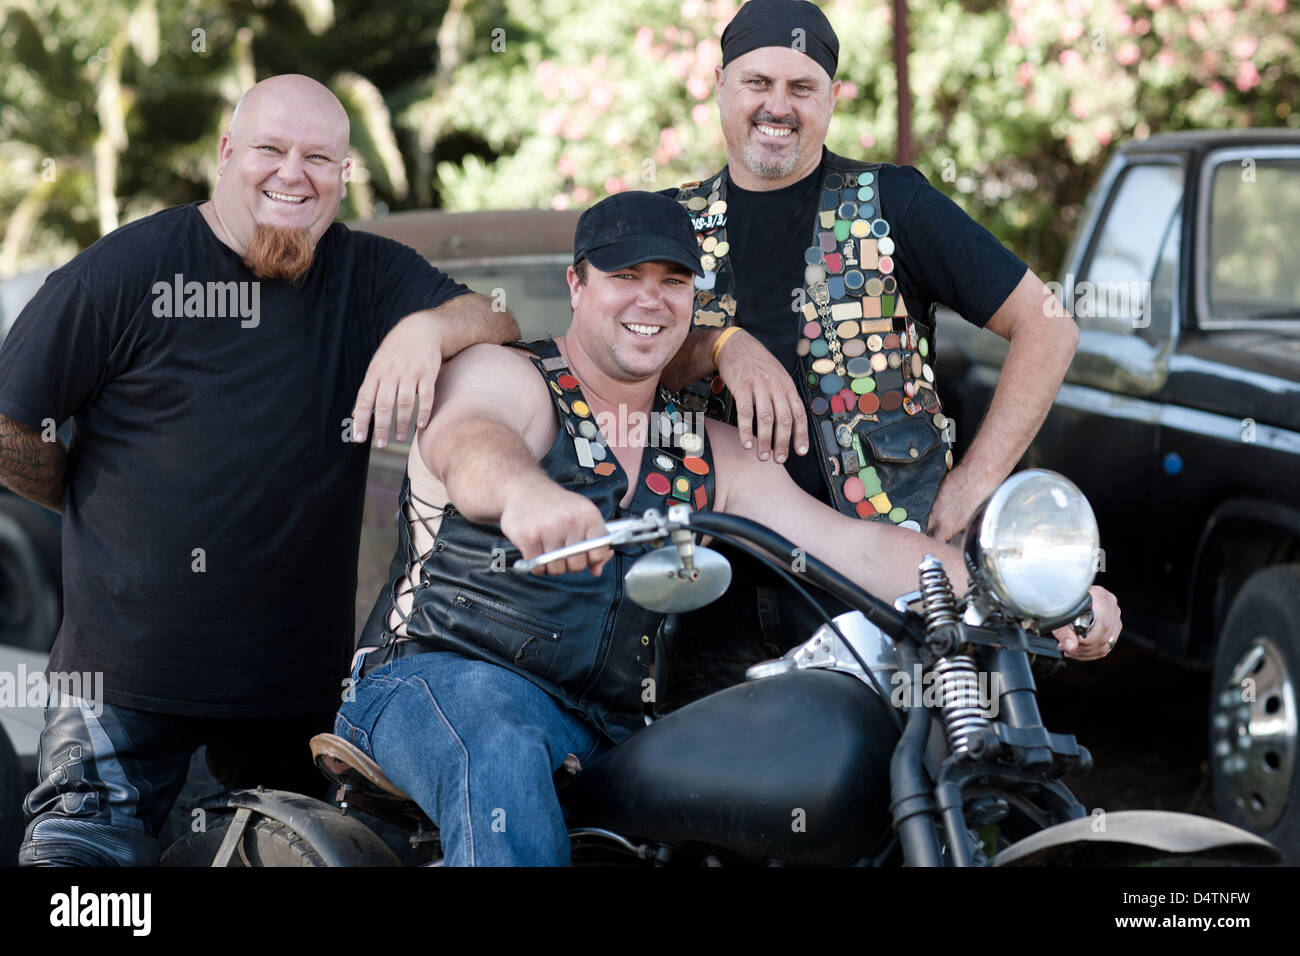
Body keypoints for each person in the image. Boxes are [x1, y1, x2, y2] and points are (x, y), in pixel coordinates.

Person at [336, 191, 1121, 866]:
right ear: (577, 285)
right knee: (497, 740)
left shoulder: (706, 447)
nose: (650, 300)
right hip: (434, 679)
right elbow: (474, 445)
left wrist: (1037, 593)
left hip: (608, 723)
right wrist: (523, 496)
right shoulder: (514, 376)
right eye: (625, 277)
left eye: (672, 281)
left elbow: (859, 547)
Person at [0, 75, 520, 866]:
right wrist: (91, 502)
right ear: (227, 153)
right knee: (83, 889)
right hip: (124, 680)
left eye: (320, 156)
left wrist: (424, 328)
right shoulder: (122, 272)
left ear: (345, 175)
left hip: (289, 694)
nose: (293, 172)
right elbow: (9, 422)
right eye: (272, 149)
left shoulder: (371, 277)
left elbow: (498, 317)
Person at [656, 0, 1085, 703]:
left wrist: (973, 485)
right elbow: (617, 369)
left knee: (910, 799)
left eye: (802, 88)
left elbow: (1048, 326)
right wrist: (718, 345)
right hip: (711, 595)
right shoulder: (670, 224)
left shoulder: (894, 204)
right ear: (721, 85)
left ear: (833, 97)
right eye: (757, 82)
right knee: (713, 800)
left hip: (883, 595)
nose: (777, 106)